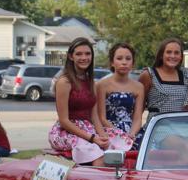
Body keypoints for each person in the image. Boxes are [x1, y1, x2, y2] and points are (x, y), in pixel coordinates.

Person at [49, 37, 131, 166]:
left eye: (87, 54)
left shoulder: (91, 82)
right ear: (71, 57)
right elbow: (64, 121)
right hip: (66, 132)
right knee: (98, 155)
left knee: (117, 146)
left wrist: (103, 136)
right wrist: (93, 138)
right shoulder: (64, 82)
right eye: (79, 54)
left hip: (88, 128)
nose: (84, 57)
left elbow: (94, 116)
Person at [96, 43, 145, 149]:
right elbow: (101, 118)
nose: (124, 62)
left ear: (133, 63)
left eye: (128, 59)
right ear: (112, 62)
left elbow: (137, 118)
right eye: (119, 58)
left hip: (131, 131)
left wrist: (131, 134)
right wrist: (119, 134)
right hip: (108, 130)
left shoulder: (139, 87)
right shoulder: (102, 85)